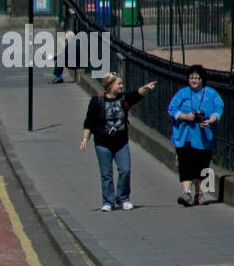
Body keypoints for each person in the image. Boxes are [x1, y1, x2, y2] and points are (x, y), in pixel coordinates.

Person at [81, 73, 158, 211]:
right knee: (106, 174)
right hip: (102, 143)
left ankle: (123, 199)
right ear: (110, 85)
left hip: (121, 143)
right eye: (119, 83)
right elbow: (89, 122)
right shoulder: (97, 101)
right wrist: (85, 139)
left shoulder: (123, 99)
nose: (122, 86)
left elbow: (137, 94)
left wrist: (146, 87)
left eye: (122, 83)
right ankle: (108, 202)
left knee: (125, 170)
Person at [167, 65, 224, 206]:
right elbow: (171, 109)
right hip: (184, 136)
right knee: (185, 163)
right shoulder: (182, 93)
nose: (194, 80)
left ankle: (199, 194)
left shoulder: (211, 94)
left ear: (202, 80)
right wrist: (185, 116)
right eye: (191, 77)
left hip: (204, 137)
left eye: (197, 78)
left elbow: (219, 108)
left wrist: (211, 119)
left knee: (202, 165)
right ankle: (187, 194)